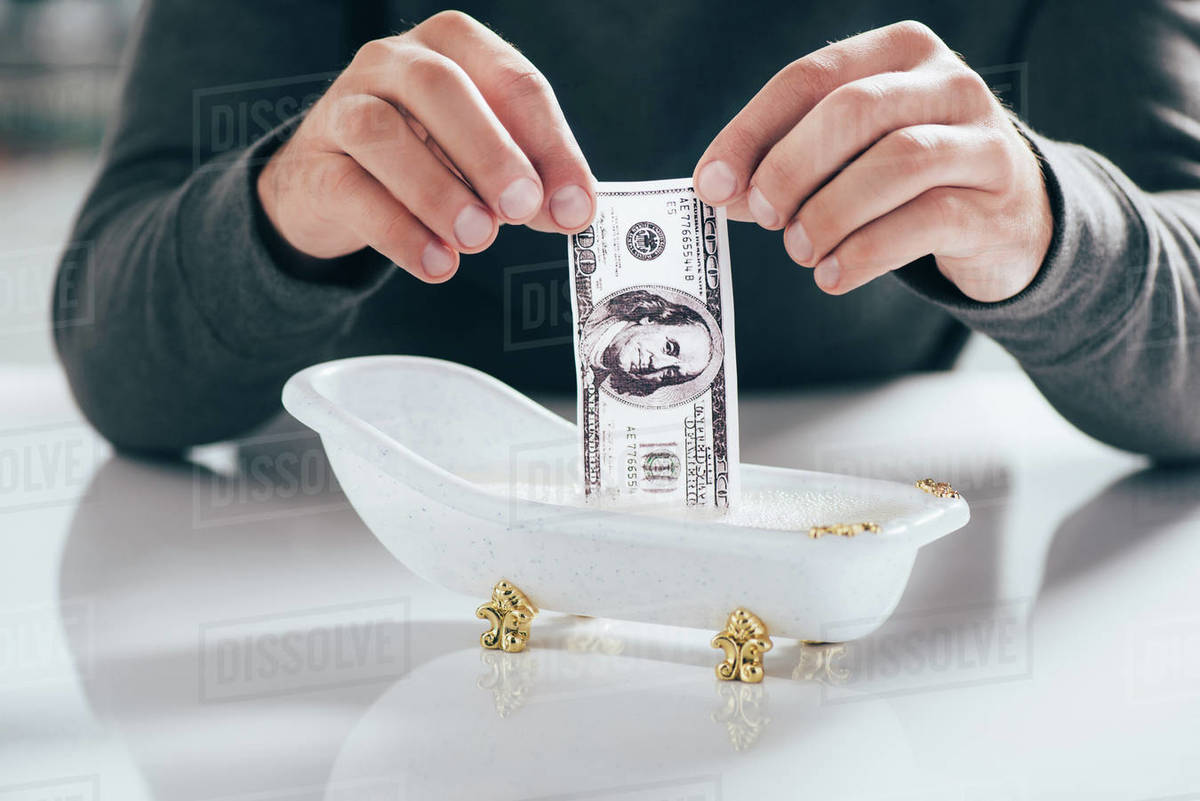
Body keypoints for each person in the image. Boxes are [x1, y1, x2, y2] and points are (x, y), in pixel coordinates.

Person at [55, 1, 1200, 459]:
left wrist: (1054, 231)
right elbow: (112, 349)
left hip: (868, 638)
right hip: (400, 602)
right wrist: (277, 216)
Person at [582, 288, 717, 400]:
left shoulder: (590, 391)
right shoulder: (589, 308)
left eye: (670, 374)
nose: (657, 365)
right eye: (668, 348)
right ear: (651, 319)